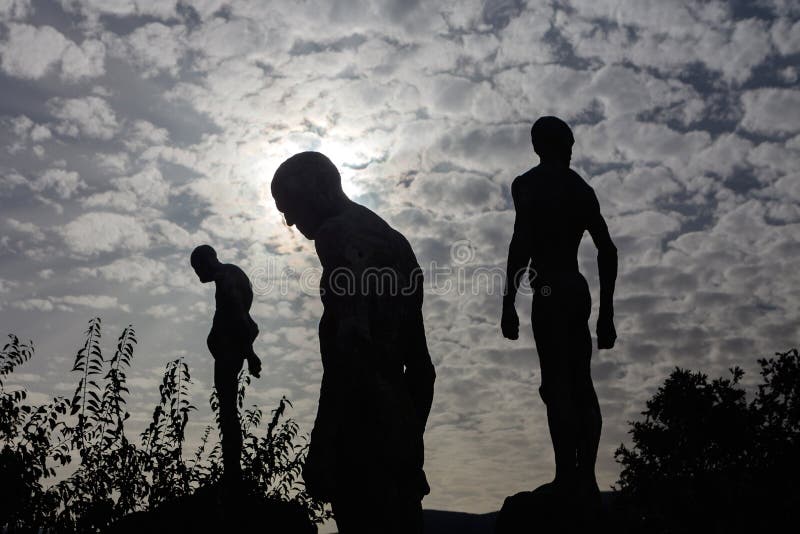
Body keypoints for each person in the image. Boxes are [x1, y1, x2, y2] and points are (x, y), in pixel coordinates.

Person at [271, 152, 435, 534]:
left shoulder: (336, 234)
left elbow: (351, 350)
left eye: (290, 206)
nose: (290, 221)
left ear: (317, 188)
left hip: (360, 427)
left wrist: (323, 442)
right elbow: (423, 368)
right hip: (400, 422)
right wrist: (411, 439)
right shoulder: (397, 244)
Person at [501, 116, 618, 502]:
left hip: (551, 289)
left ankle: (571, 475)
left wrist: (508, 302)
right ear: (562, 145)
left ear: (537, 147)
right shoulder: (580, 188)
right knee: (578, 383)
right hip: (574, 287)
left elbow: (521, 244)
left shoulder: (528, 186)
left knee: (558, 384)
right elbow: (608, 249)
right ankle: (581, 475)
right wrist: (605, 313)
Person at [191, 244, 262, 491]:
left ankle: (233, 474)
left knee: (228, 412)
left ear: (207, 261)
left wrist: (249, 352)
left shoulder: (225, 279)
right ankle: (232, 471)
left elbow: (241, 315)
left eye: (197, 268)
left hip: (230, 351)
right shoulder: (232, 274)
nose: (198, 276)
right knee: (227, 411)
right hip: (229, 348)